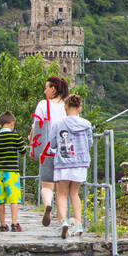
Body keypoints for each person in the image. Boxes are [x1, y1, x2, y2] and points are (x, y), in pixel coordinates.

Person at [48, 93, 94, 238]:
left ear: (65, 107)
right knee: (74, 193)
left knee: (61, 193)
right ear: (79, 108)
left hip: (63, 163)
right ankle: (78, 224)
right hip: (80, 164)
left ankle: (63, 222)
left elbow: (53, 143)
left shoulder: (58, 124)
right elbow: (90, 143)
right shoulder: (86, 124)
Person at [29, 76, 68, 227]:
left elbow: (36, 128)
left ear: (53, 89)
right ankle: (62, 220)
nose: (44, 91)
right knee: (61, 189)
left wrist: (31, 138)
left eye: (46, 88)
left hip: (48, 151)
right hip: (64, 151)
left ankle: (47, 205)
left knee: (46, 186)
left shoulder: (43, 105)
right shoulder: (67, 104)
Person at [0, 110, 27, 232]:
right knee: (14, 199)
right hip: (12, 172)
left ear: (0, 124)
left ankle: (2, 225)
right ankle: (14, 223)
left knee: (1, 200)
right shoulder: (16, 137)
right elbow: (23, 150)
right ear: (12, 123)